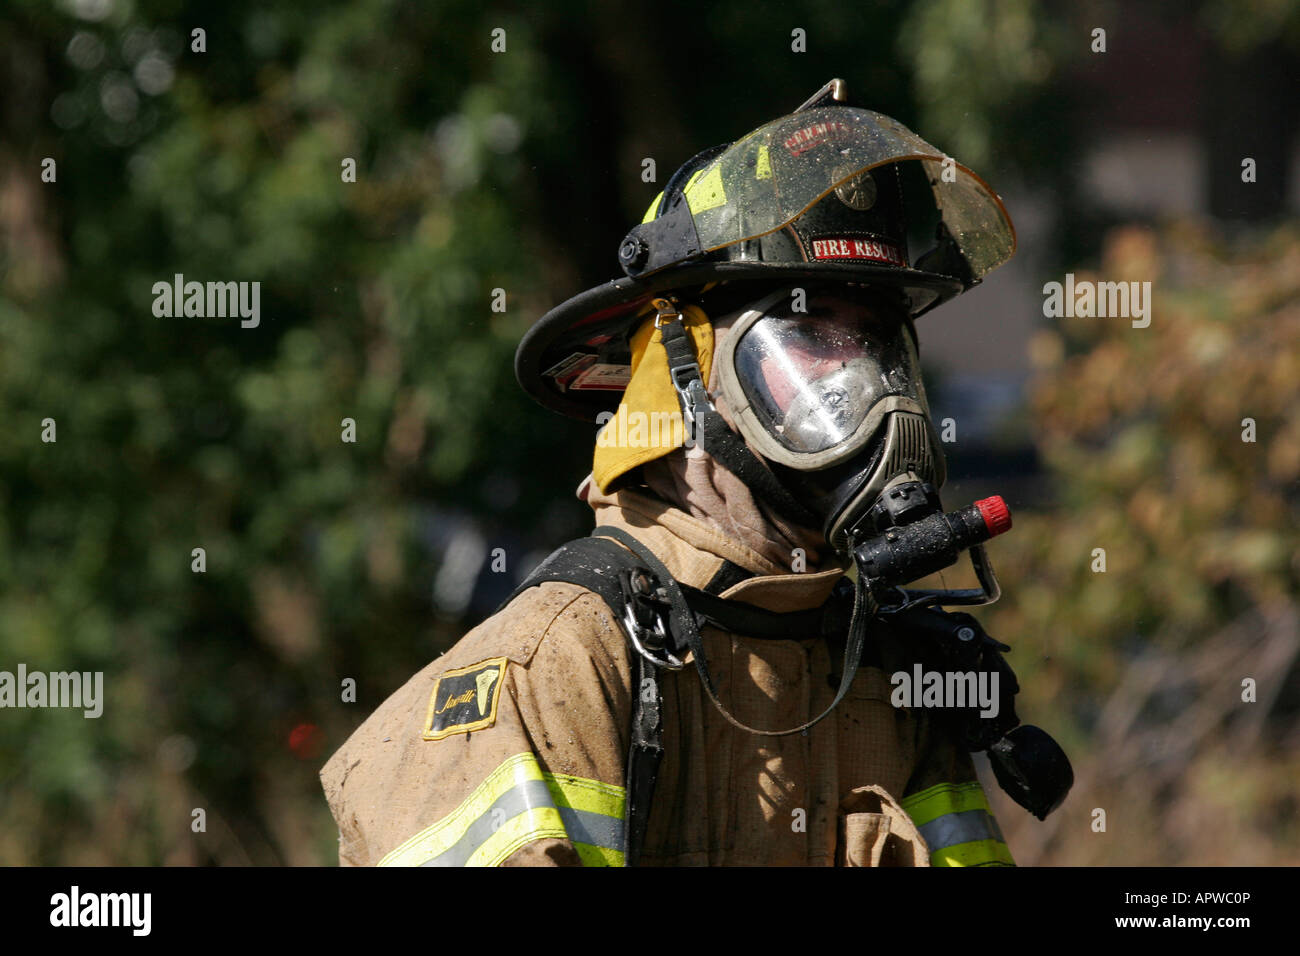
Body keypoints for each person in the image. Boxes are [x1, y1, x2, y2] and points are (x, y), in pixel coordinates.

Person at [320, 78, 1070, 867]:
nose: (861, 383)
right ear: (688, 383)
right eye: (811, 336)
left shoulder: (882, 676)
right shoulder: (557, 668)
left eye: (877, 342)